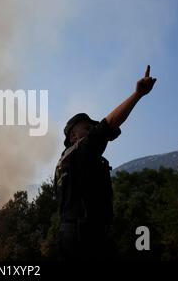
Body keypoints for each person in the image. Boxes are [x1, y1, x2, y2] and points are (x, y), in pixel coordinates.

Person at [54, 65, 157, 260]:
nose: (92, 130)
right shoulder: (78, 152)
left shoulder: (67, 161)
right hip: (85, 239)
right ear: (73, 135)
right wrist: (138, 94)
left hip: (76, 236)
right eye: (87, 128)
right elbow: (108, 125)